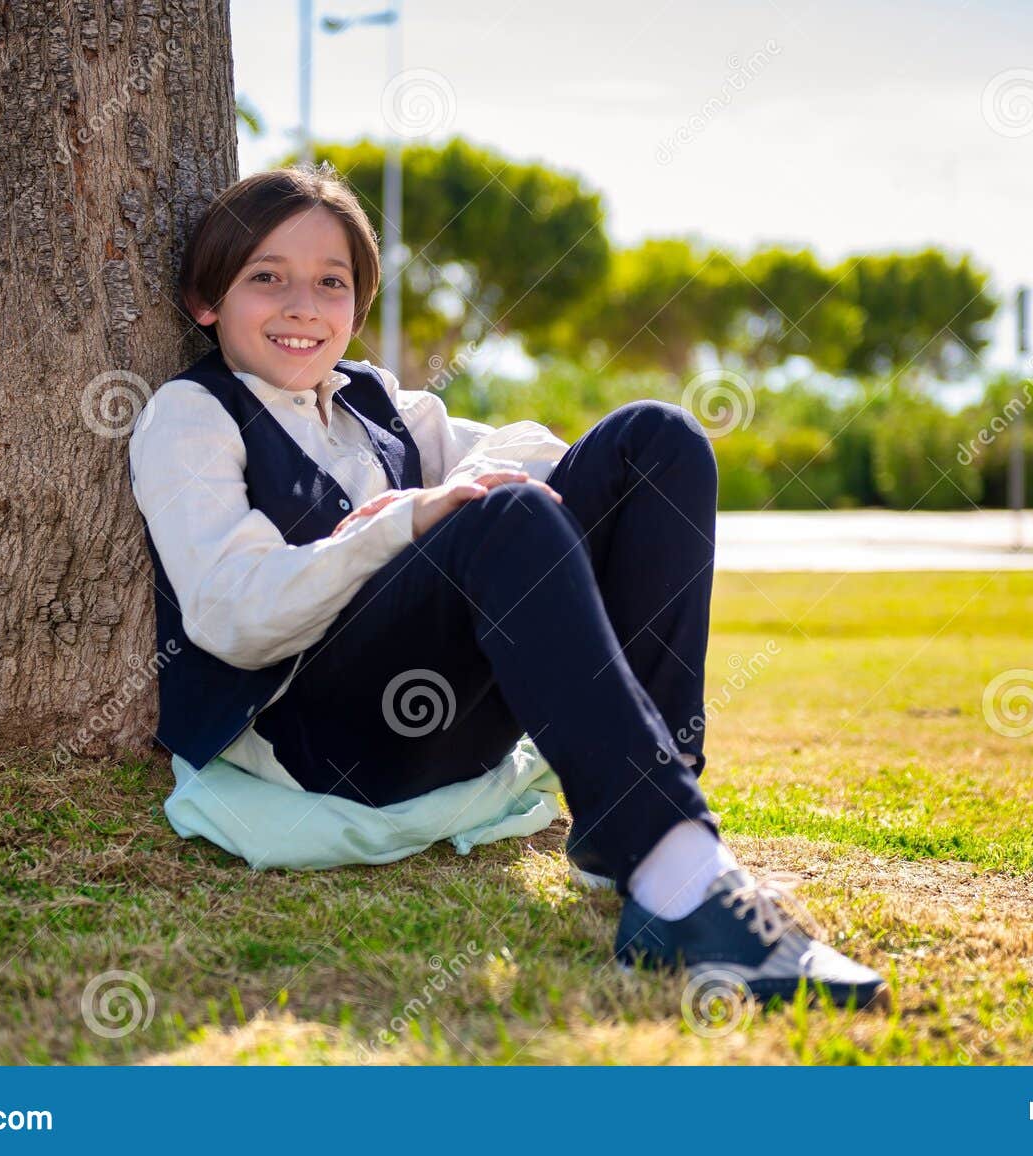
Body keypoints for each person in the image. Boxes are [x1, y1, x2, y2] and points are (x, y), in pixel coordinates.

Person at [128, 164, 890, 1013]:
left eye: (330, 282)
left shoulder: (379, 404)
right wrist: (403, 522)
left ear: (357, 304)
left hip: (449, 723)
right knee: (507, 518)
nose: (303, 304)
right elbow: (232, 616)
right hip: (324, 739)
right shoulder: (191, 415)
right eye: (266, 277)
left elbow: (531, 443)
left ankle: (638, 825)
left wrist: (444, 495)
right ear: (207, 301)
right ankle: (681, 879)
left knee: (659, 440)